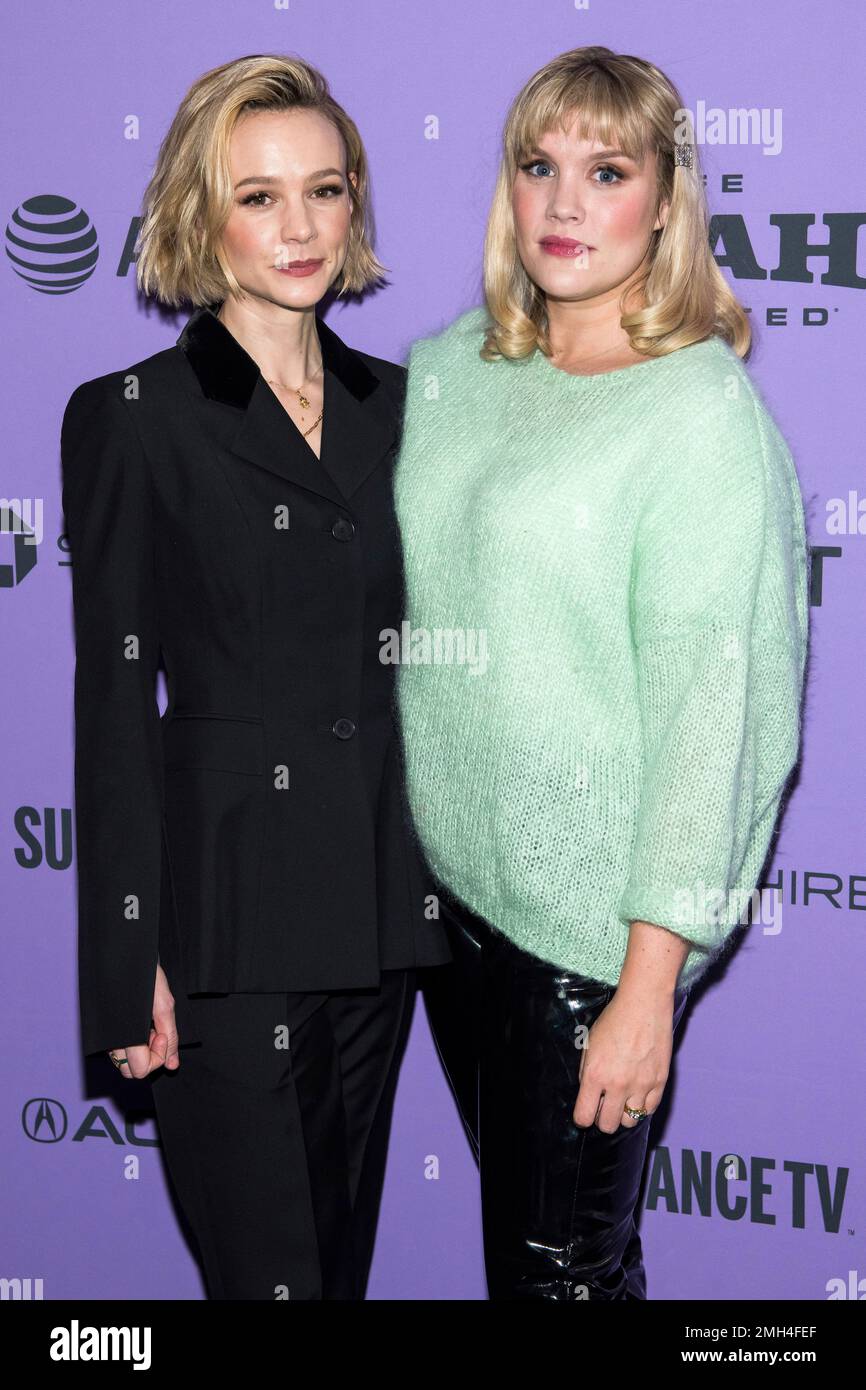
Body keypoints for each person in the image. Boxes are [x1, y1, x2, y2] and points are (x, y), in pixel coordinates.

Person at [393, 46, 810, 1300]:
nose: (565, 204)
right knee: (568, 1262)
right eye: (538, 166)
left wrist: (646, 982)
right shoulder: (451, 367)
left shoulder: (698, 417)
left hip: (586, 949)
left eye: (606, 170)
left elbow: (715, 716)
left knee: (556, 1277)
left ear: (663, 204)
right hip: (450, 909)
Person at [60, 52, 449, 1301]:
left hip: (383, 920)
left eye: (324, 192)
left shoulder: (407, 408)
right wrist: (130, 963)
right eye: (258, 196)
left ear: (354, 208)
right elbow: (114, 700)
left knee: (337, 1273)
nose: (298, 227)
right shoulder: (133, 414)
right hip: (222, 930)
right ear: (196, 214)